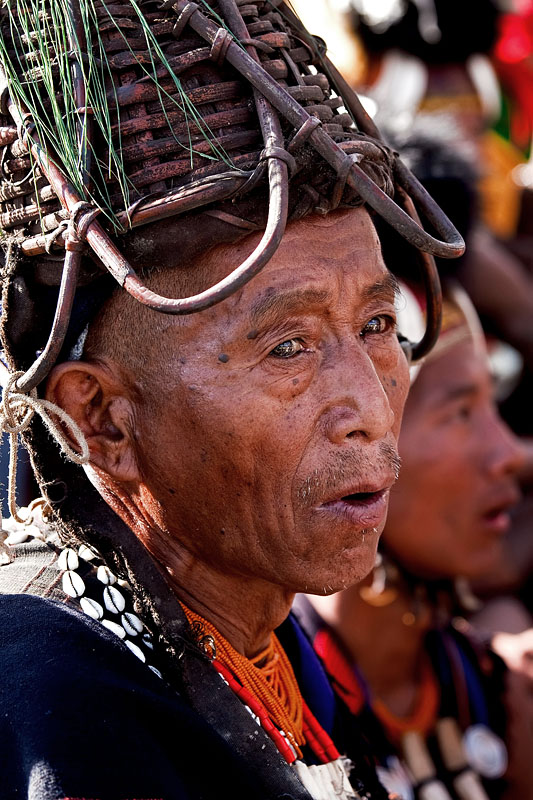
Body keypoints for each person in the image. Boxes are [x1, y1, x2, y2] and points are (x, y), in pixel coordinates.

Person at [0, 1, 464, 799]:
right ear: (101, 417)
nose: (368, 406)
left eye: (379, 324)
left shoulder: (261, 634)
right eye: (289, 347)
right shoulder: (53, 703)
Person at [295, 282, 533, 799]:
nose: (510, 452)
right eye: (461, 413)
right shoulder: (278, 702)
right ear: (361, 442)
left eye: (493, 407)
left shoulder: (498, 693)